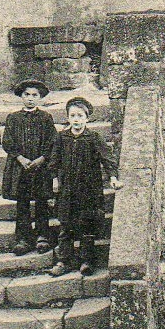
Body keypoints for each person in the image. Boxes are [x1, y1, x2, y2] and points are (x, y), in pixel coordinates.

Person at [49, 95, 119, 276]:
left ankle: (86, 260)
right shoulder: (61, 138)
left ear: (87, 118)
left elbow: (107, 159)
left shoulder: (93, 138)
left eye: (80, 116)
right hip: (67, 189)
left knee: (87, 224)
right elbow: (54, 162)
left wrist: (112, 177)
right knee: (66, 225)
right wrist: (55, 180)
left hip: (89, 189)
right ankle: (63, 261)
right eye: (72, 116)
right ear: (68, 118)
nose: (76, 119)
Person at [1, 78, 57, 254]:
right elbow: (7, 141)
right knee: (22, 202)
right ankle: (23, 238)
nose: (30, 98)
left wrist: (42, 158)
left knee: (41, 201)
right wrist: (20, 158)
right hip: (21, 167)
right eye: (27, 94)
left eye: (34, 95)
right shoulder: (13, 118)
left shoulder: (46, 118)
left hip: (40, 167)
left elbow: (52, 141)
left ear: (40, 98)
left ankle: (42, 236)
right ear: (21, 96)